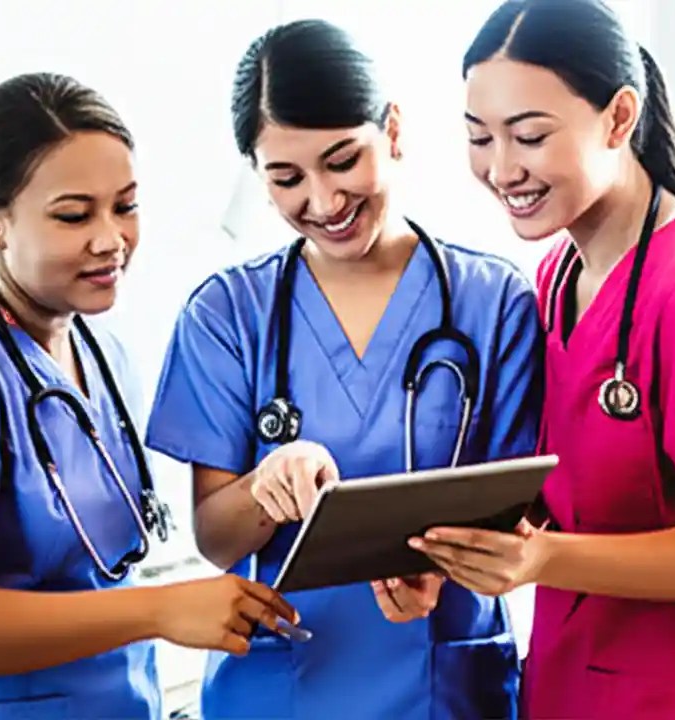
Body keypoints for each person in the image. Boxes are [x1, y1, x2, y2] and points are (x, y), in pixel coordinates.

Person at [407, 2, 675, 718]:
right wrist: (454, 561)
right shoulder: (559, 275)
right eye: (479, 137)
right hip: (584, 670)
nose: (500, 168)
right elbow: (572, 490)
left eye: (528, 136)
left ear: (619, 119)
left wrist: (544, 561)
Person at [0, 72, 296, 720]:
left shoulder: (103, 358)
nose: (110, 239)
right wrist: (161, 609)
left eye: (125, 206)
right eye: (74, 215)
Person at [144, 19, 542, 720]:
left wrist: (443, 575)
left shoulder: (492, 303)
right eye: (287, 178)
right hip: (282, 686)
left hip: (441, 681)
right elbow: (216, 538)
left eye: (342, 160)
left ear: (392, 131)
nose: (324, 202)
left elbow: (524, 511)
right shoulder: (227, 315)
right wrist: (263, 488)